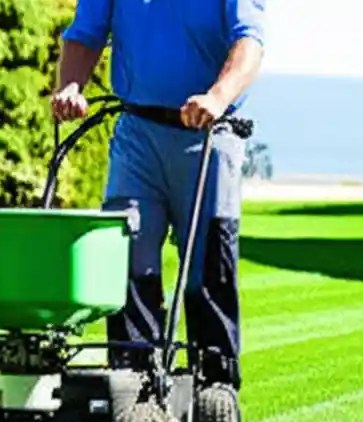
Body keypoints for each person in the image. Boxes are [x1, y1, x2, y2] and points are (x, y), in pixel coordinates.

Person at [51, 0, 266, 397]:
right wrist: (71, 86)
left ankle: (214, 387)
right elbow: (85, 34)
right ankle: (132, 382)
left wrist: (217, 96)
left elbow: (249, 41)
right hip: (137, 131)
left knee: (207, 265)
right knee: (128, 256)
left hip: (209, 133)